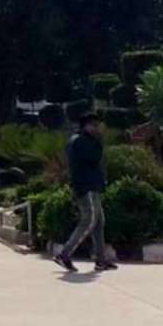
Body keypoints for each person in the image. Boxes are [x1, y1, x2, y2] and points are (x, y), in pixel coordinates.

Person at [55, 113, 117, 273]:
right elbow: (94, 158)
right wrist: (99, 142)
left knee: (98, 222)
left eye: (98, 125)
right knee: (89, 220)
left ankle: (100, 259)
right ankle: (64, 254)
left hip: (92, 185)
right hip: (86, 186)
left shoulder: (83, 140)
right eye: (94, 125)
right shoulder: (82, 141)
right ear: (86, 126)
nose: (98, 128)